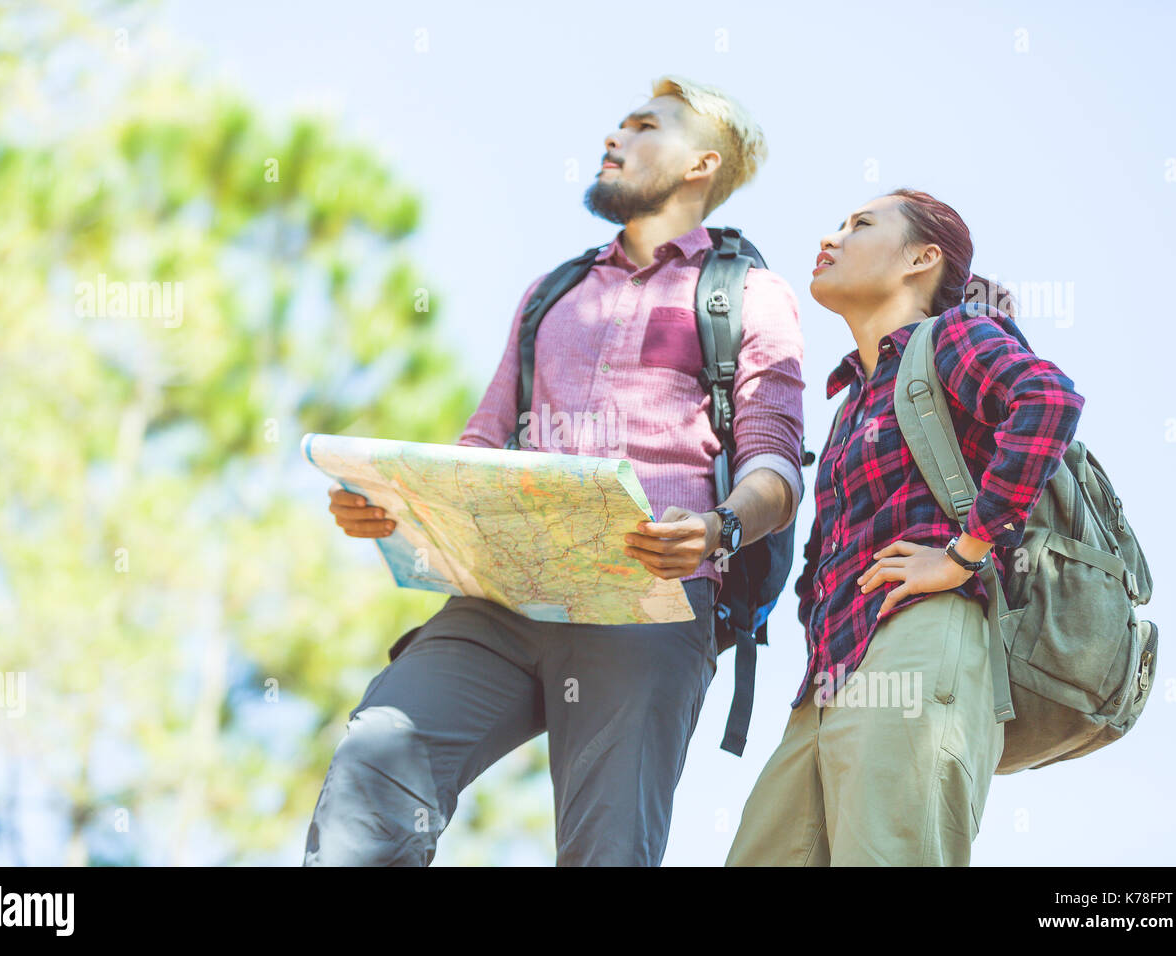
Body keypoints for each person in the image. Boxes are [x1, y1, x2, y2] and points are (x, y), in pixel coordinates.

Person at [304, 75, 806, 866]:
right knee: (376, 761)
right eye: (617, 125)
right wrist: (400, 505)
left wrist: (720, 528)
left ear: (701, 164)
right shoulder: (553, 292)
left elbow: (774, 456)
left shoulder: (749, 293)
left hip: (648, 605)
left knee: (608, 849)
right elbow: (481, 442)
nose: (615, 137)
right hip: (501, 594)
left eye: (644, 127)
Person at [725, 189, 1085, 866]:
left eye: (860, 225)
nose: (831, 237)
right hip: (828, 677)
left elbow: (1048, 401)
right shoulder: (850, 403)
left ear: (922, 259)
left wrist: (963, 553)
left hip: (921, 635)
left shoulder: (951, 336)